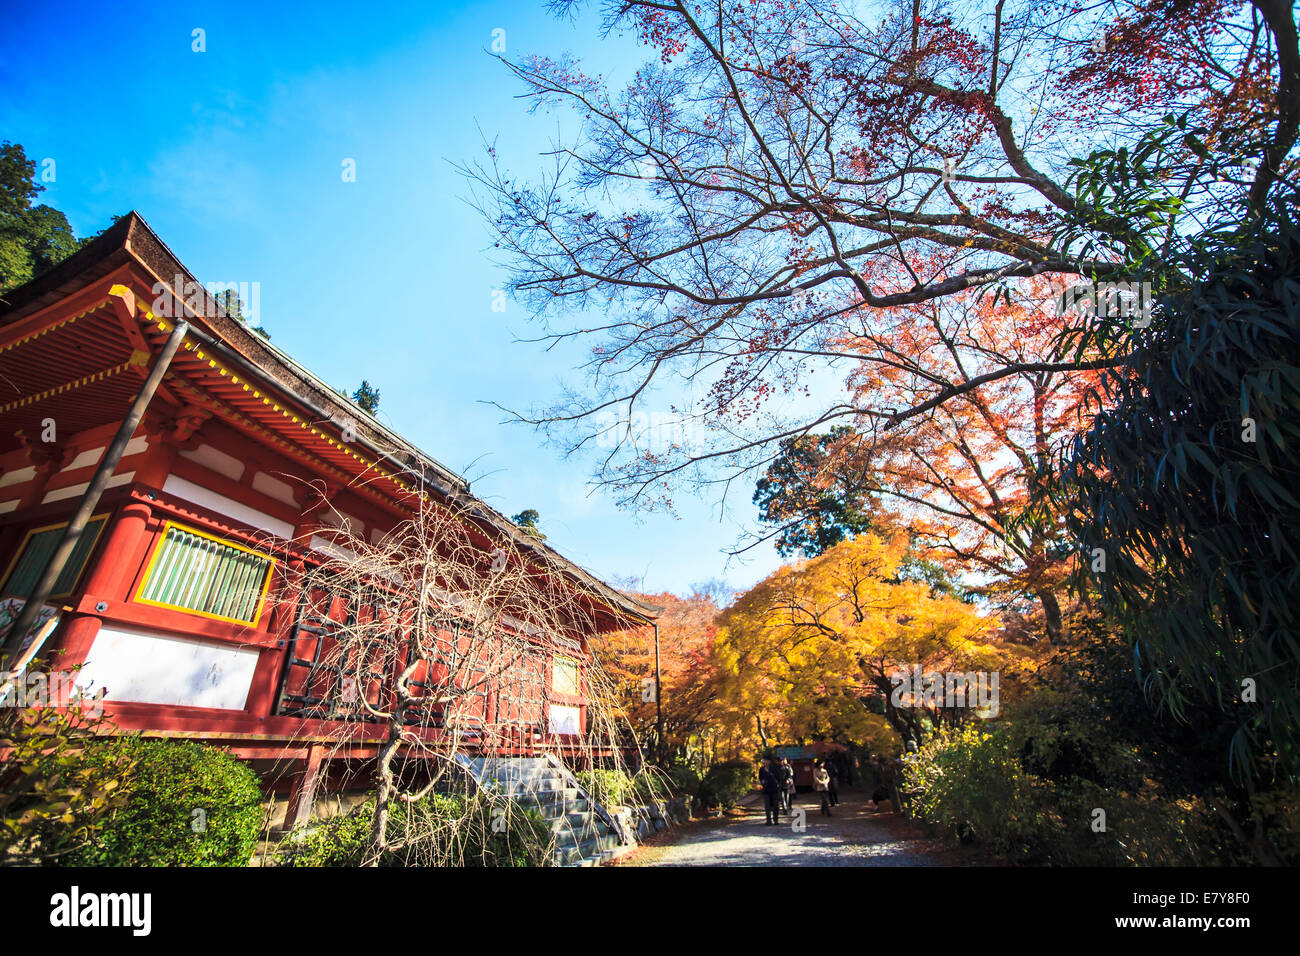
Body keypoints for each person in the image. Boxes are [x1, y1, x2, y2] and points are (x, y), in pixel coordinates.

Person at [759, 757, 783, 825]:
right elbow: (760, 778)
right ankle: (768, 820)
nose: (765, 762)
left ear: (769, 761)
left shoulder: (774, 768)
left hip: (774, 789)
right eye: (764, 761)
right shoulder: (761, 769)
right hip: (766, 790)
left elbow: (778, 778)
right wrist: (762, 782)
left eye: (767, 761)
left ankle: (776, 819)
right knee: (767, 806)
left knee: (775, 806)